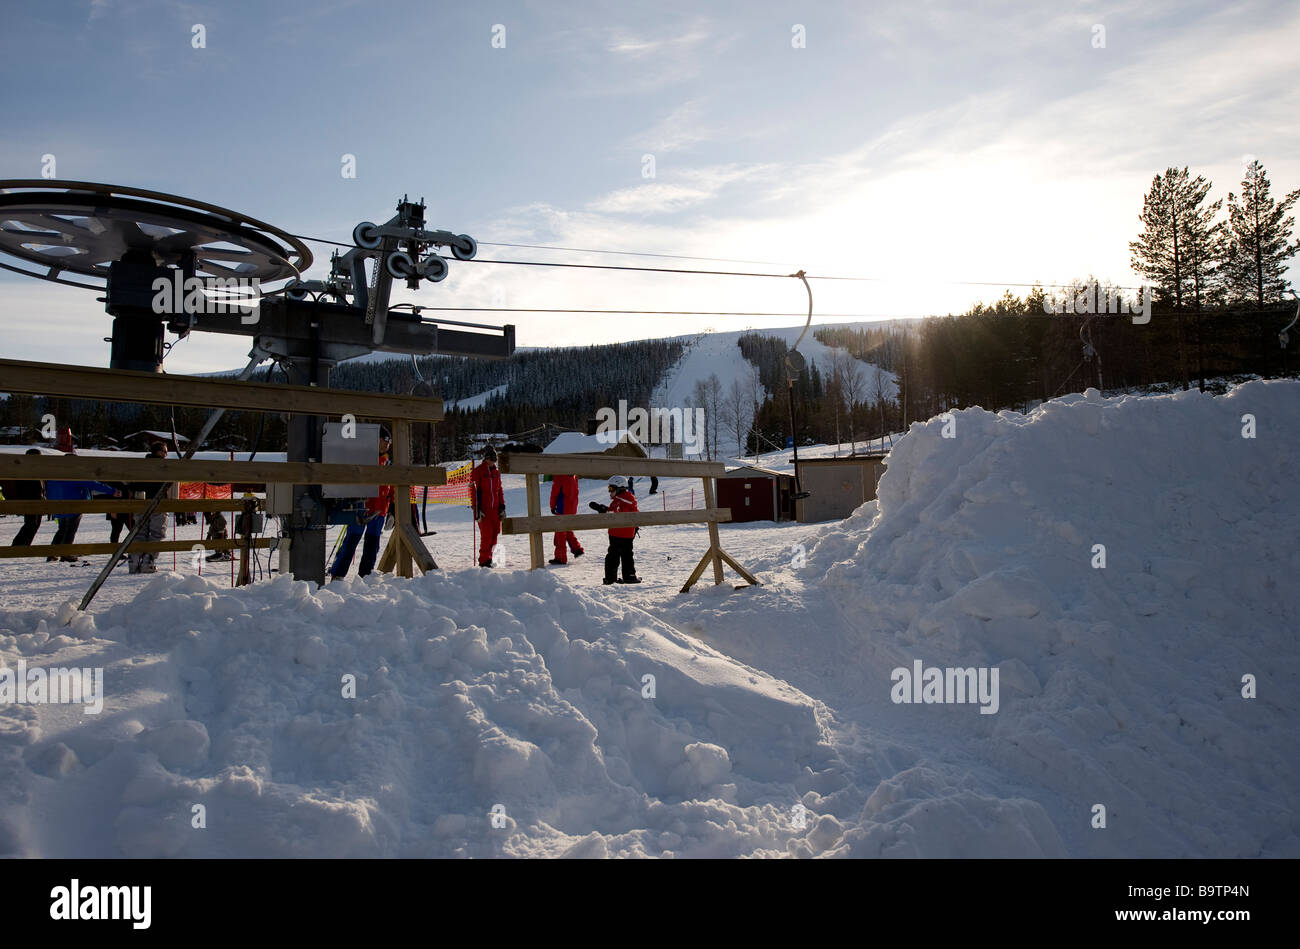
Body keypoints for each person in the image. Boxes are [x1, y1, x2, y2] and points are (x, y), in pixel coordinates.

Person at [329, 429, 394, 580]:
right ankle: (338, 575)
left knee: (372, 545)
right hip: (360, 509)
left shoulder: (388, 464)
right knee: (351, 542)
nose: (387, 444)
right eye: (385, 440)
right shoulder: (363, 460)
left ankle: (366, 577)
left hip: (379, 511)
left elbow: (392, 489)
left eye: (389, 442)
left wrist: (392, 509)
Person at [45, 453, 119, 562]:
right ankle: (66, 553)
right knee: (70, 530)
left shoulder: (55, 474)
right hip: (74, 505)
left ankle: (52, 553)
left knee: (62, 530)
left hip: (57, 506)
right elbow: (93, 484)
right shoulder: (74, 474)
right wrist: (112, 491)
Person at [125, 441, 172, 574]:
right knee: (157, 533)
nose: (166, 454)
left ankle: (134, 561)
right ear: (158, 451)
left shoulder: (141, 466)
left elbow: (131, 483)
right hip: (158, 503)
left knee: (139, 532)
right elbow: (169, 482)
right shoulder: (164, 466)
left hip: (140, 502)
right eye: (164, 451)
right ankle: (148, 561)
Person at [589, 475, 641, 585]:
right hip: (615, 533)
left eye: (611, 489)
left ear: (620, 488)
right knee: (614, 556)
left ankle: (628, 576)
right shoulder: (618, 500)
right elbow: (613, 511)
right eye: (609, 489)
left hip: (624, 533)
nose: (609, 492)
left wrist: (605, 511)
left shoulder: (627, 499)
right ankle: (611, 578)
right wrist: (602, 508)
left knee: (625, 555)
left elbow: (622, 514)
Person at [470, 445, 505, 567]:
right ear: (486, 459)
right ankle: (484, 560)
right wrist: (476, 508)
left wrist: (502, 505)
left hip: (495, 509)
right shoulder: (478, 471)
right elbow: (473, 491)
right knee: (487, 535)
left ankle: (489, 557)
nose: (493, 462)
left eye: (495, 460)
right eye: (491, 460)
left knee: (495, 534)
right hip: (483, 509)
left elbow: (499, 490)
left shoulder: (496, 472)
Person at [8, 448, 44, 547]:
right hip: (29, 500)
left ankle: (24, 545)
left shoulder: (36, 469)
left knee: (35, 524)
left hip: (37, 500)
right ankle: (18, 545)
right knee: (31, 524)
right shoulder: (23, 470)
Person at [547, 473, 584, 566]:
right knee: (567, 529)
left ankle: (561, 558)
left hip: (562, 507)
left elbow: (555, 492)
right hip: (572, 507)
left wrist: (552, 506)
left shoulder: (560, 476)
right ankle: (577, 549)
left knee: (560, 533)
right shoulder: (574, 476)